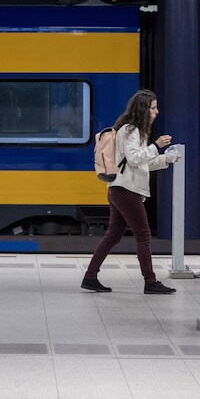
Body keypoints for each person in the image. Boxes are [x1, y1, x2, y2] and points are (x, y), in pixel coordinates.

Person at [81, 90, 181, 295]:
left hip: (120, 190)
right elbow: (135, 158)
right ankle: (150, 282)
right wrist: (156, 145)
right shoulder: (131, 130)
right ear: (144, 109)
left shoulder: (134, 131)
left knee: (113, 236)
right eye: (153, 108)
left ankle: (90, 277)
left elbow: (140, 163)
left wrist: (166, 159)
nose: (157, 112)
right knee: (143, 235)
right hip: (127, 191)